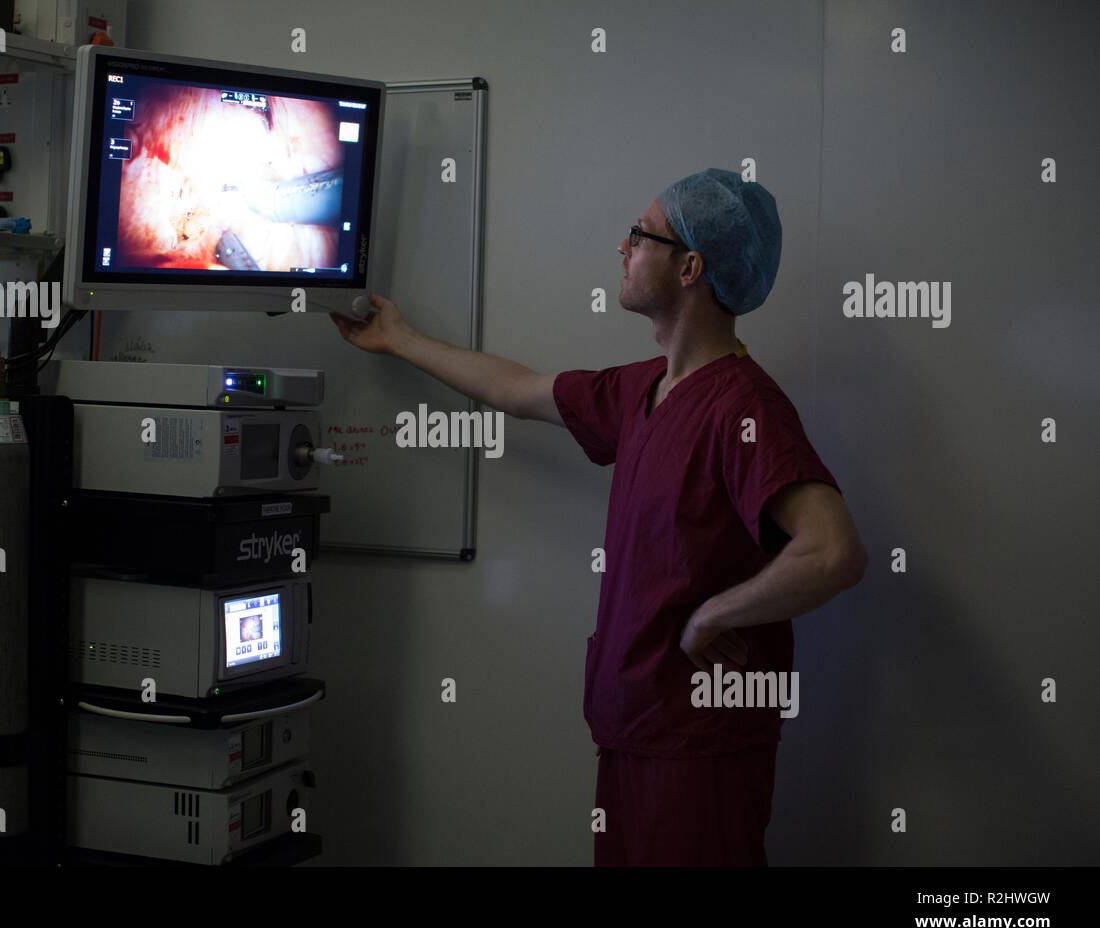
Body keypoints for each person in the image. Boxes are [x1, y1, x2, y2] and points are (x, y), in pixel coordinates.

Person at [328, 169, 868, 866]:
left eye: (640, 235)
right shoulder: (643, 390)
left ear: (690, 267)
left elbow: (833, 552)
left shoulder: (744, 408)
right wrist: (398, 339)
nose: (622, 247)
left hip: (698, 753)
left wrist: (713, 617)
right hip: (630, 734)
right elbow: (519, 390)